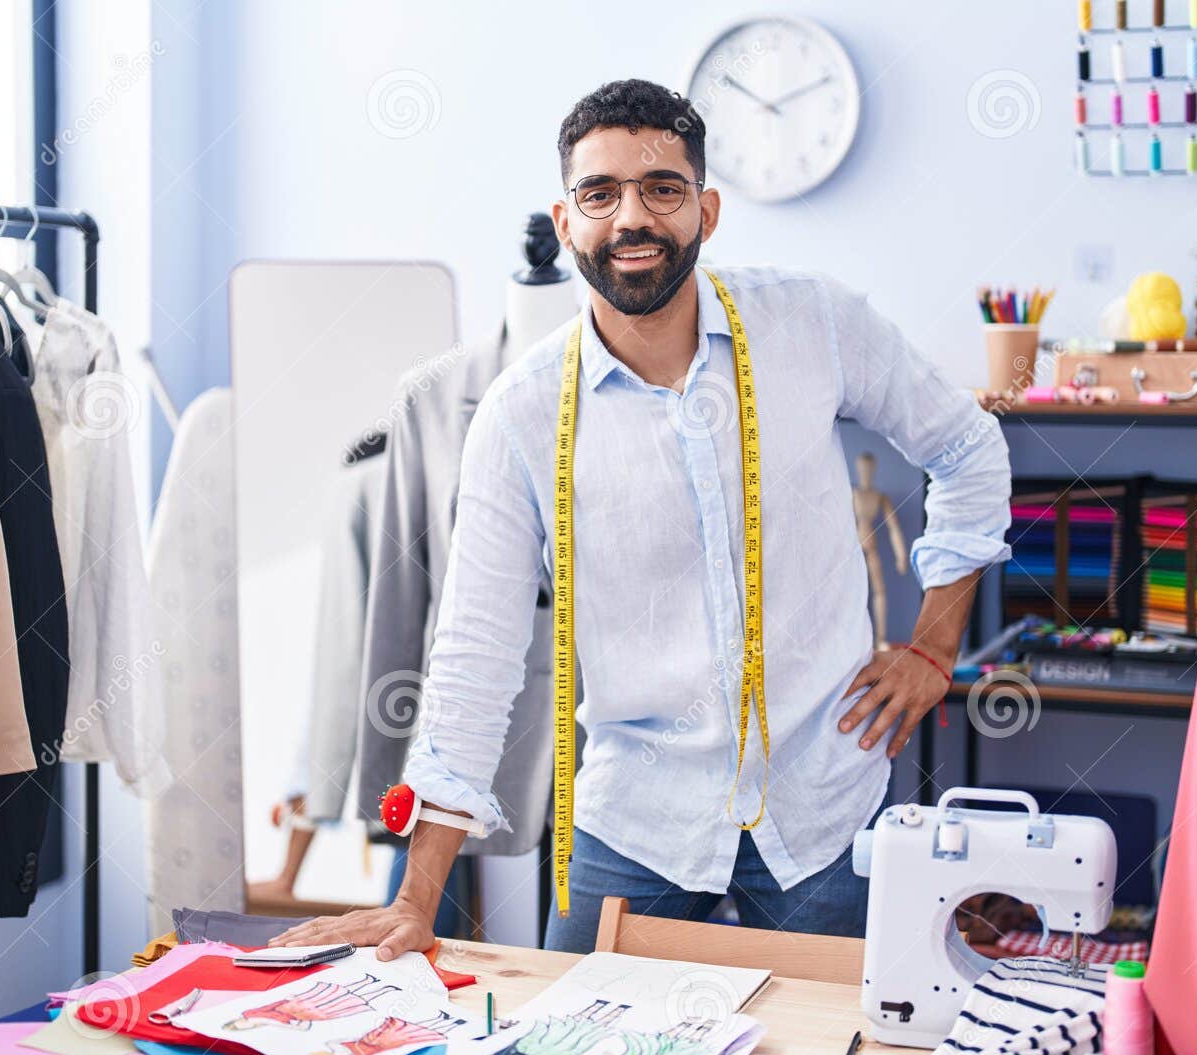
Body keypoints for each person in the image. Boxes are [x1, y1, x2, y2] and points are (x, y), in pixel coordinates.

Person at [271, 78, 1011, 958]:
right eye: (600, 193)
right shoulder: (521, 413)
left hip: (826, 802)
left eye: (662, 188)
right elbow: (474, 656)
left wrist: (933, 646)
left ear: (706, 210)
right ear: (566, 219)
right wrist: (415, 898)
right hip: (637, 821)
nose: (632, 218)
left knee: (832, 1041)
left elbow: (967, 445)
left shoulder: (811, 322)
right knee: (574, 1041)